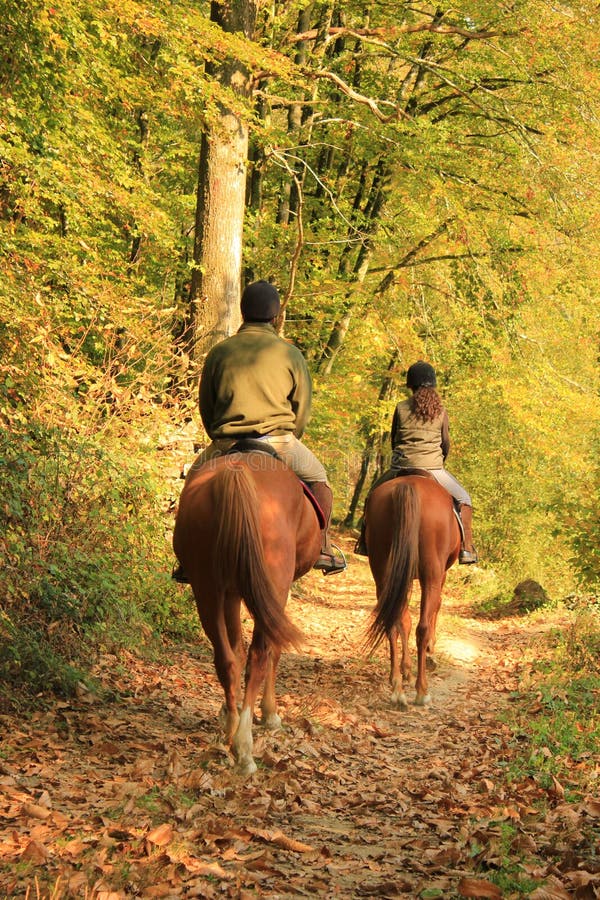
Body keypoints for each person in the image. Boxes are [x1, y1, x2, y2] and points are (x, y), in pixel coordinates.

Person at [173, 280, 346, 581]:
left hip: (226, 443)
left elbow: (206, 405)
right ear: (276, 315)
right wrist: (291, 437)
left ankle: (188, 558)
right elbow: (301, 410)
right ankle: (323, 547)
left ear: (242, 311)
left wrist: (219, 436)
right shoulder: (291, 355)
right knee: (320, 482)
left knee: (192, 486)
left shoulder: (220, 352)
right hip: (278, 442)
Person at [354, 360, 479, 564]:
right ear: (434, 384)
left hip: (401, 466)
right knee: (465, 499)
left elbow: (394, 439)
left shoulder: (401, 408)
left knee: (371, 496)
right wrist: (438, 461)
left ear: (410, 384)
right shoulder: (441, 410)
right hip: (433, 468)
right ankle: (466, 549)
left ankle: (364, 542)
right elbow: (445, 443)